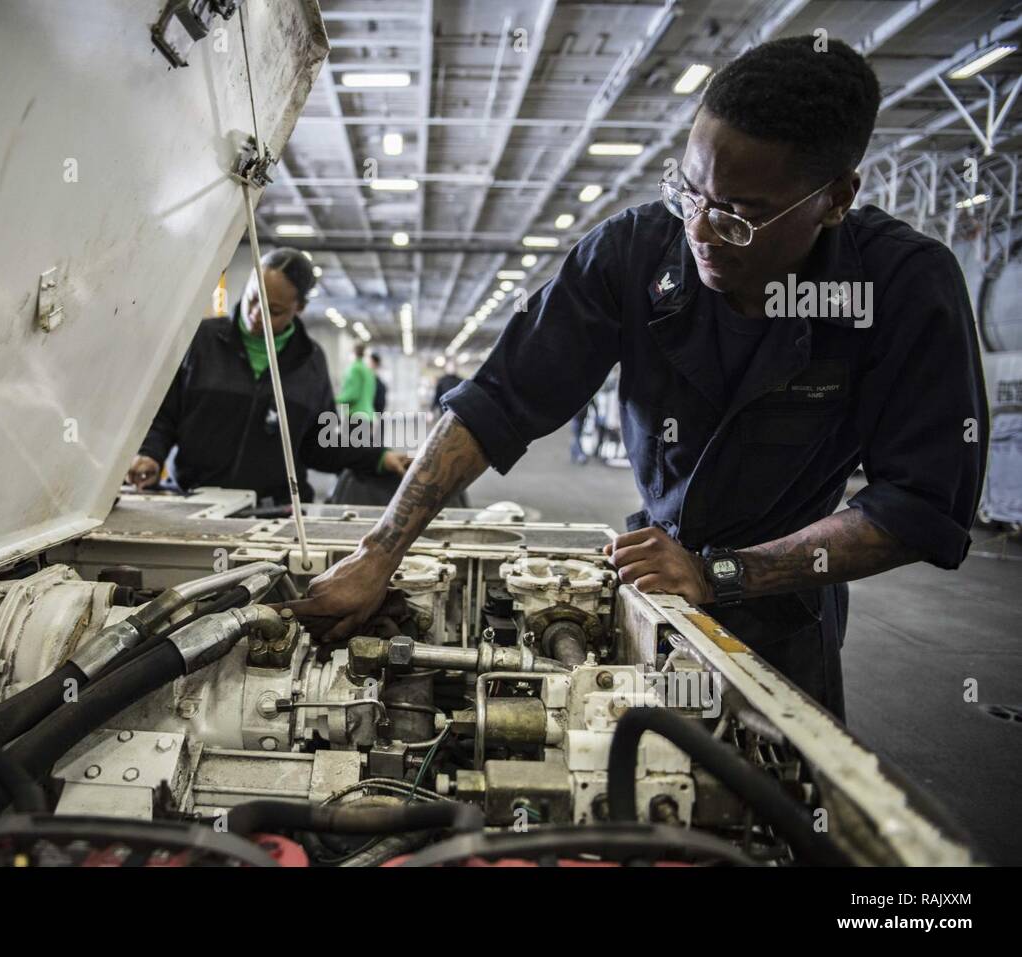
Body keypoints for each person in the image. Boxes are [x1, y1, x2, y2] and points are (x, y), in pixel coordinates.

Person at [283, 37, 989, 722]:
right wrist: (380, 551)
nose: (702, 230)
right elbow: (498, 398)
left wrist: (724, 573)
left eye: (739, 214)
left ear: (835, 199)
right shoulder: (635, 251)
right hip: (651, 577)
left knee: (777, 802)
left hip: (786, 609)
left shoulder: (900, 285)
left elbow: (920, 504)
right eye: (689, 190)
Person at [126, 248, 408, 504]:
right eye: (252, 300)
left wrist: (378, 457)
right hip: (191, 501)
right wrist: (150, 453)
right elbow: (163, 416)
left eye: (274, 310)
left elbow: (319, 445)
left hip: (272, 509)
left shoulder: (311, 362)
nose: (256, 315)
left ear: (299, 308)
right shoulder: (200, 341)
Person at [369, 351, 388, 416]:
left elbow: (380, 402)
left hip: (375, 412)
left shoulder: (377, 375)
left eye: (370, 362)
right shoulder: (372, 375)